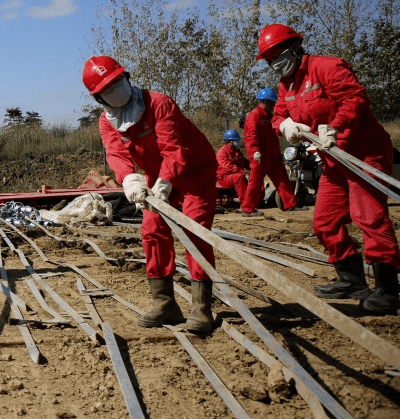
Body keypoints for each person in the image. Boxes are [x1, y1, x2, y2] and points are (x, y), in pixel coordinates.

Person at [257, 23, 399, 315]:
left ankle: (388, 289)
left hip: (364, 153)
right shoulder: (287, 85)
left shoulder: (326, 67)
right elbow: (280, 114)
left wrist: (335, 127)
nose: (274, 64)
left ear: (295, 48)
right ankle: (352, 279)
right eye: (269, 61)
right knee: (324, 221)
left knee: (369, 217)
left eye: (277, 56)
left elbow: (355, 98)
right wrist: (284, 125)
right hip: (333, 159)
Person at [83, 55, 218, 333]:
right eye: (107, 89)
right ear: (99, 98)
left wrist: (165, 183)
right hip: (157, 176)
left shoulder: (158, 103)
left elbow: (173, 149)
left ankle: (202, 310)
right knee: (152, 231)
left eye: (118, 81)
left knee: (194, 231)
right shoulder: (107, 122)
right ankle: (165, 304)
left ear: (126, 78)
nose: (115, 90)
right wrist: (130, 180)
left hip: (194, 173)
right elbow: (116, 153)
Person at [243, 88, 299, 214]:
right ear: (266, 102)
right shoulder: (255, 115)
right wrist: (255, 152)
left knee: (283, 180)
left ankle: (290, 204)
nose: (274, 106)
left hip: (272, 156)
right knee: (255, 183)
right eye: (272, 103)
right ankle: (248, 209)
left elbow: (273, 136)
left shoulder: (269, 117)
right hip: (260, 156)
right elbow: (251, 136)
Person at [216, 129, 250, 209]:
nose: (238, 142)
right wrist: (243, 172)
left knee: (254, 175)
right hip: (224, 178)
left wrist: (255, 167)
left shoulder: (237, 151)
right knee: (238, 177)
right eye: (236, 140)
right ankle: (245, 205)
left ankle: (254, 200)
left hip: (236, 175)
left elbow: (246, 163)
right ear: (230, 141)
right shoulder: (222, 152)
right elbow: (228, 167)